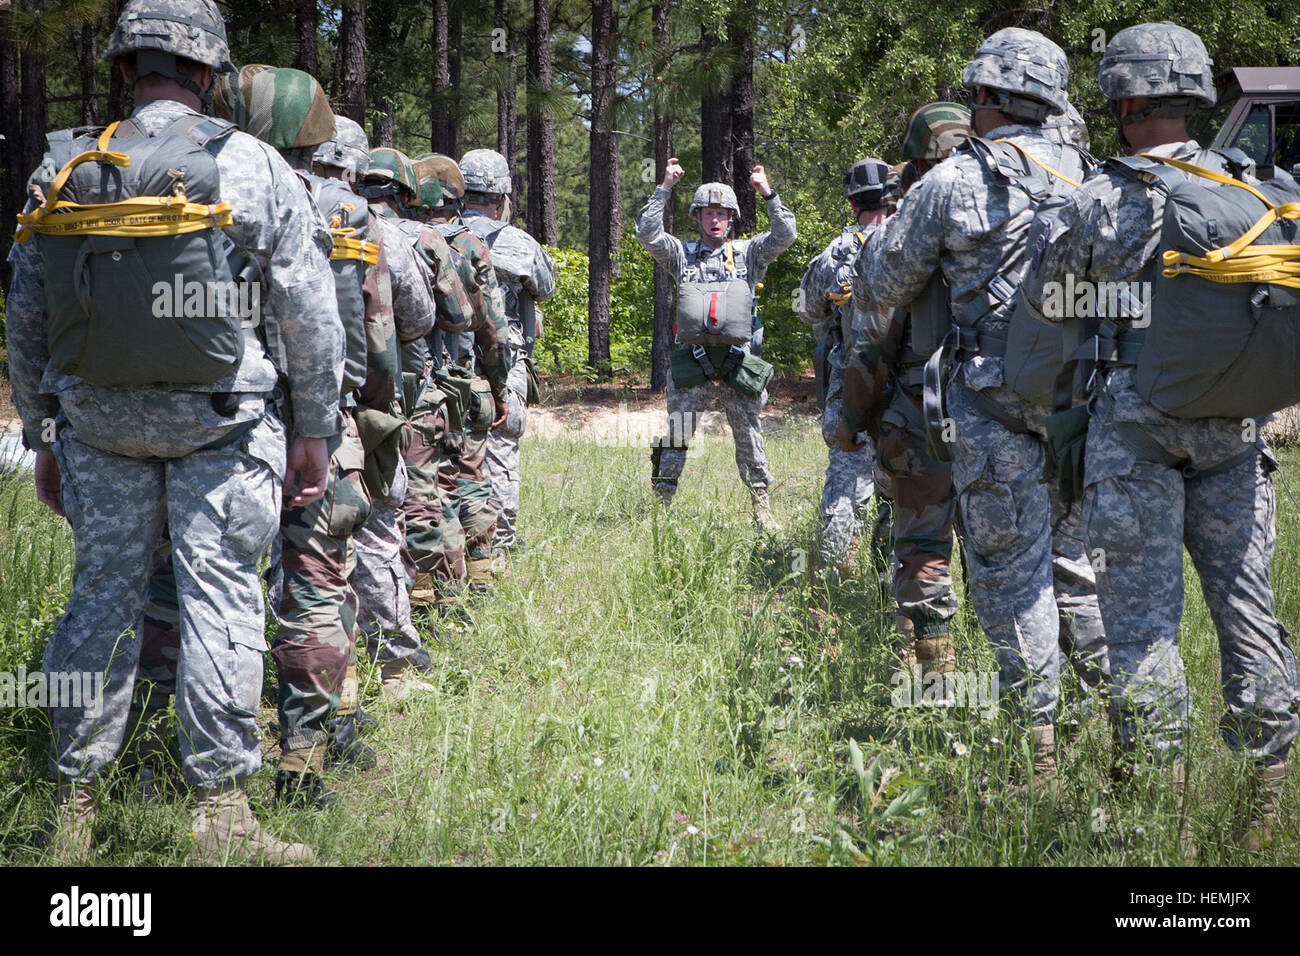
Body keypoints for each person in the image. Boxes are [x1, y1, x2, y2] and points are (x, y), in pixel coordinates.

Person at [8, 0, 341, 861]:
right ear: (210, 73)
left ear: (124, 68)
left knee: (97, 601)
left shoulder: (67, 165)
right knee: (222, 600)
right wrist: (315, 426)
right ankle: (222, 811)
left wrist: (42, 432)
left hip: (98, 426)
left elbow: (28, 313)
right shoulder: (252, 164)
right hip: (219, 424)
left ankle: (71, 807)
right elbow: (307, 309)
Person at [1022, 21, 1300, 847]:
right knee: (1247, 614)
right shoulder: (1259, 187)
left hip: (1134, 434)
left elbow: (1046, 297)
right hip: (1236, 432)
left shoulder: (1107, 197)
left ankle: (1158, 822)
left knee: (1142, 627)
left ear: (1123, 99)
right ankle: (1267, 812)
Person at [863, 28, 1108, 782]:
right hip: (1086, 410)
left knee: (1010, 579)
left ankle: (1039, 755)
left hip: (995, 413)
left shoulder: (954, 181)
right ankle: (1119, 724)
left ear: (986, 94)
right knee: (1080, 570)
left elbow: (883, 283)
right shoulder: (1101, 177)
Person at [838, 105, 970, 675]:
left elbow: (872, 341)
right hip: (1017, 415)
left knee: (923, 550)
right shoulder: (1028, 214)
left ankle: (932, 678)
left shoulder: (906, 230)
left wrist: (850, 417)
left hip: (925, 415)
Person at [638, 161, 797, 530]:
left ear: (732, 218)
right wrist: (664, 186)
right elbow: (646, 234)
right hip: (693, 362)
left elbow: (786, 234)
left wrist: (766, 192)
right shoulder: (681, 254)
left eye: (722, 214)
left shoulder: (750, 254)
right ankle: (661, 508)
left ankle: (762, 510)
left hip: (738, 362)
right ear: (698, 217)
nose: (715, 220)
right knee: (677, 433)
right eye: (708, 213)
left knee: (750, 438)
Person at [352, 146, 439, 696]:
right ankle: (394, 669)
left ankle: (316, 681)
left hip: (269, 409)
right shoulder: (394, 237)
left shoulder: (280, 202)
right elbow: (426, 317)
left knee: (299, 543)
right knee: (380, 527)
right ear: (404, 195)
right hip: (372, 404)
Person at [458, 148, 556, 554]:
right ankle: (497, 552)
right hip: (507, 363)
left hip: (453, 359)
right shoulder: (519, 244)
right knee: (500, 454)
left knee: (450, 452)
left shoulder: (438, 234)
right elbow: (546, 288)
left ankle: (452, 550)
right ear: (501, 198)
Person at [796, 158, 891, 571]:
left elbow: (804, 308)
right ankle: (895, 581)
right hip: (908, 386)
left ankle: (832, 575)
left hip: (851, 382)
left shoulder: (836, 253)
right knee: (906, 488)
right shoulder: (914, 240)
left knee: (845, 481)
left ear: (852, 203)